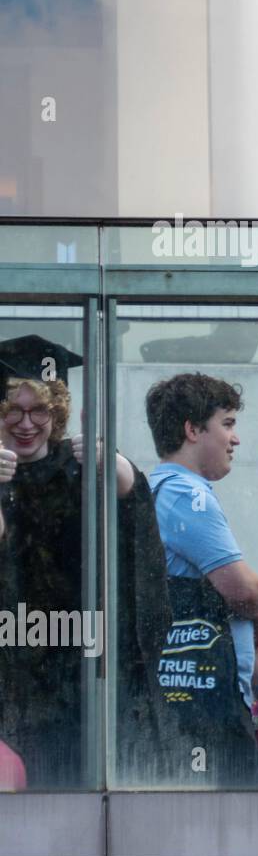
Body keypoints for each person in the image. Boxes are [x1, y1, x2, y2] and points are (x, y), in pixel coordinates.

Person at [0, 336, 174, 789]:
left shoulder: (77, 465)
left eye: (38, 410)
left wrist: (111, 462)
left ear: (56, 412)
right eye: (12, 411)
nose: (25, 423)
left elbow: (132, 501)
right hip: (9, 665)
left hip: (78, 663)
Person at [146, 373, 258, 785]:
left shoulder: (167, 489)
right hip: (203, 711)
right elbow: (243, 591)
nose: (236, 438)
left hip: (206, 700)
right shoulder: (186, 493)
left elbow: (220, 608)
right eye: (227, 423)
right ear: (192, 429)